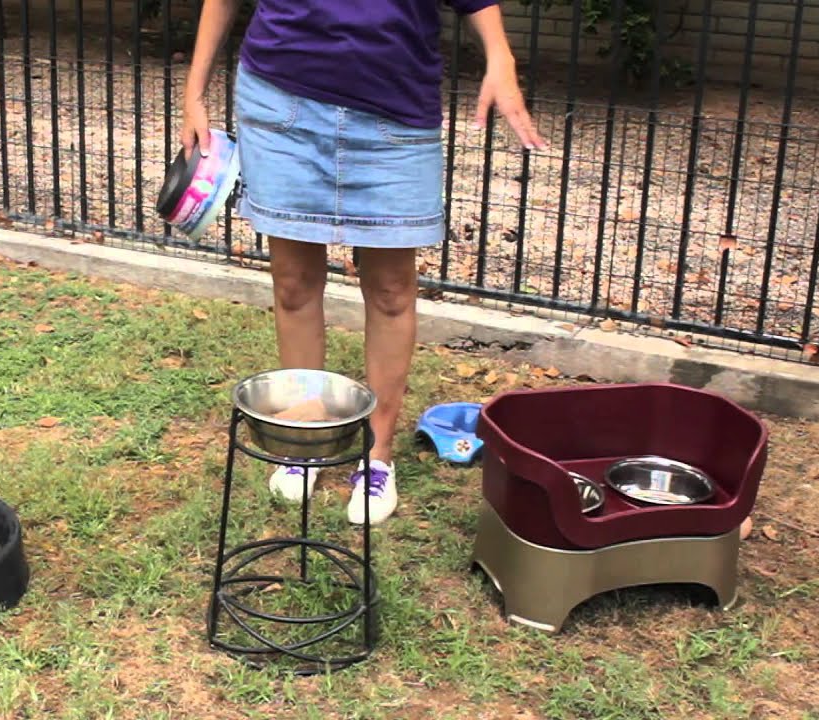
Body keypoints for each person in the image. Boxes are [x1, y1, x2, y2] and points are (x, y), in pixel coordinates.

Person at [182, 0, 546, 525]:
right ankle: (305, 435)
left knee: (393, 290)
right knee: (293, 283)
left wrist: (501, 57)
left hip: (395, 112)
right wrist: (194, 94)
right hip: (282, 100)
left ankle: (376, 457)